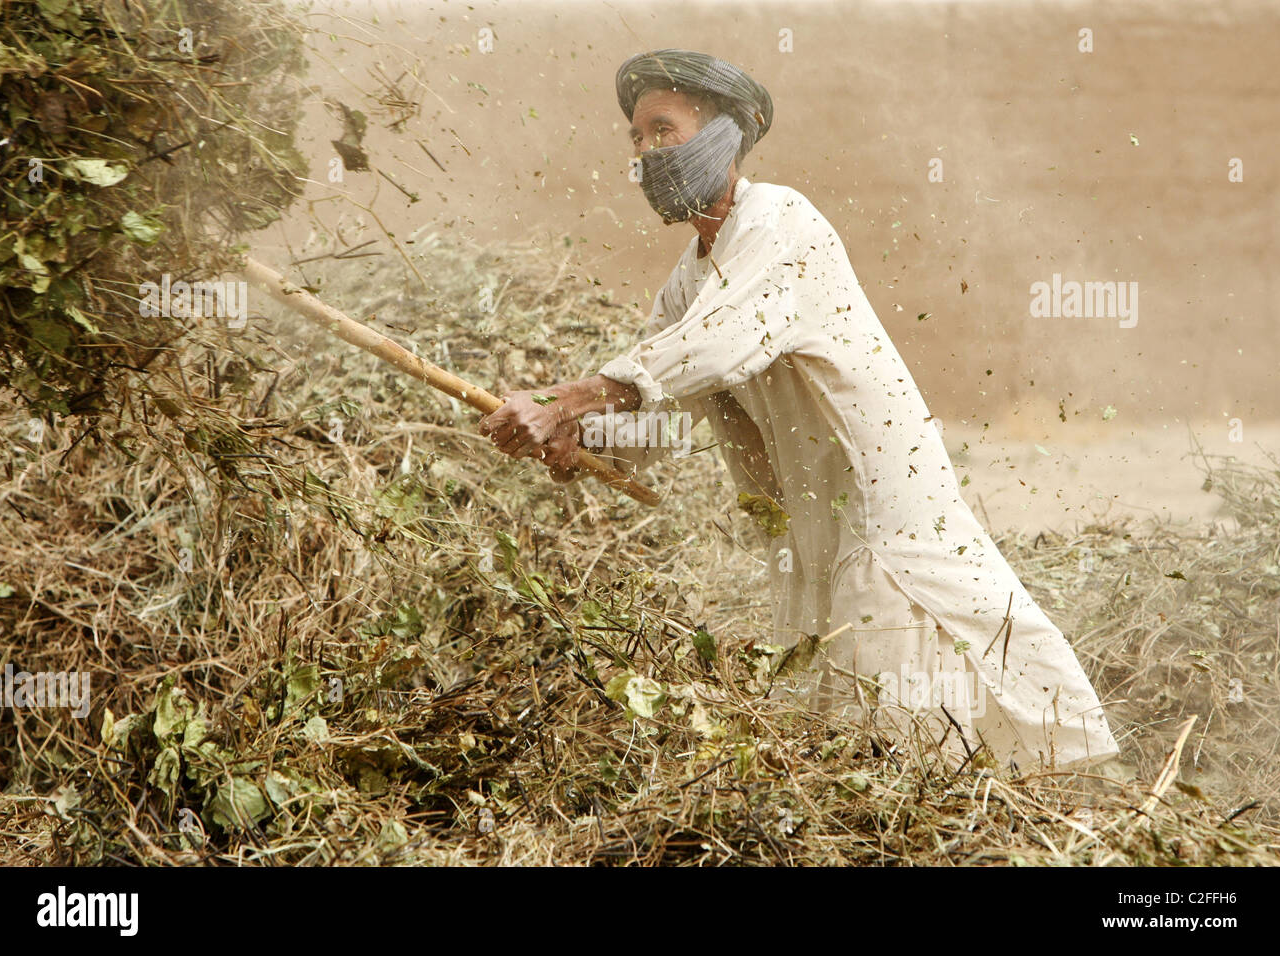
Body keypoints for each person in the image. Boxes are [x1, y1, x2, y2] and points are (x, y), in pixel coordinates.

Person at [478, 49, 1121, 772]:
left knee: (918, 753)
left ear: (727, 132)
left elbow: (718, 348)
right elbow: (660, 410)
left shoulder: (781, 222)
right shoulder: (687, 282)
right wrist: (579, 438)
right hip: (811, 543)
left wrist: (570, 397)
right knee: (844, 751)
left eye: (664, 128)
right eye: (637, 138)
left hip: (883, 528)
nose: (648, 151)